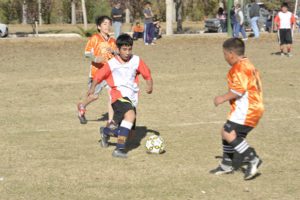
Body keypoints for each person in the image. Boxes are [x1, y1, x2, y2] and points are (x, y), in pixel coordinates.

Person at [88, 34, 153, 158]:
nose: (127, 52)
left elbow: (147, 74)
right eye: (124, 49)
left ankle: (106, 131)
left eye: (129, 49)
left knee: (130, 134)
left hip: (132, 98)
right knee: (130, 115)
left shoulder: (136, 60)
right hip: (118, 95)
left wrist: (150, 86)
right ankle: (119, 149)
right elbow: (98, 76)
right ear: (117, 50)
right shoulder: (112, 63)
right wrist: (92, 88)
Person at [211, 38, 264, 180]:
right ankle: (226, 165)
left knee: (228, 132)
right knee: (226, 132)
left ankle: (252, 159)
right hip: (250, 106)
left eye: (224, 54)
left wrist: (221, 98)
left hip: (248, 108)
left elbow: (238, 90)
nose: (224, 57)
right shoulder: (247, 64)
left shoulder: (239, 68)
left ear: (231, 53)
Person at [77, 16, 117, 125]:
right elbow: (86, 54)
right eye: (104, 24)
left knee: (112, 96)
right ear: (99, 27)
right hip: (97, 73)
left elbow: (118, 54)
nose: (107, 26)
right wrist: (95, 58)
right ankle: (82, 106)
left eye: (109, 23)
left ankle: (111, 121)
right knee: (94, 96)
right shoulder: (95, 38)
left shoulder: (113, 41)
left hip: (109, 73)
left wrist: (113, 51)